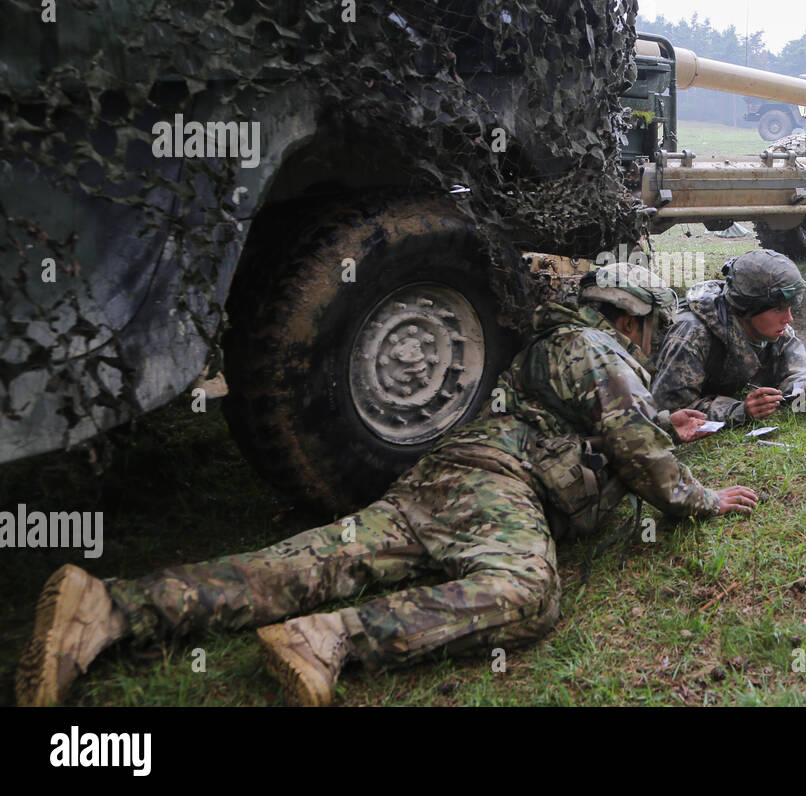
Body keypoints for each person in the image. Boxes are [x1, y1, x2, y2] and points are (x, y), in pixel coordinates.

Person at [17, 263, 758, 707]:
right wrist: (699, 498)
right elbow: (637, 446)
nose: (652, 342)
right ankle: (331, 637)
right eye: (652, 331)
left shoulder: (562, 345)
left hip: (449, 477)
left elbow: (619, 431)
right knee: (525, 593)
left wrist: (664, 427)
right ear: (634, 319)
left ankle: (110, 608)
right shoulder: (601, 347)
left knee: (318, 559)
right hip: (497, 482)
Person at [653, 249, 806, 427]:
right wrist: (738, 411)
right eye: (778, 309)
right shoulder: (692, 334)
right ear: (747, 308)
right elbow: (670, 410)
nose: (789, 319)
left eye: (789, 308)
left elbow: (798, 371)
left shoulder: (774, 330)